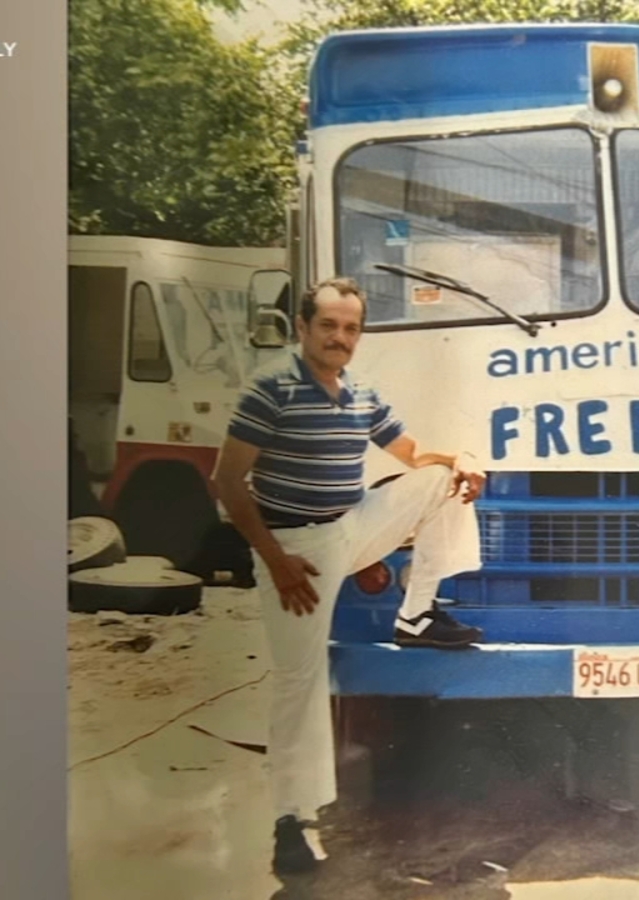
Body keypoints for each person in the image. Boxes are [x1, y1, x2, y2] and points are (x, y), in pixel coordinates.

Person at [210, 276, 487, 876]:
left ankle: (415, 615)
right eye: (329, 326)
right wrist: (276, 561)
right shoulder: (270, 389)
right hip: (293, 547)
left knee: (445, 483)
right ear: (304, 328)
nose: (340, 338)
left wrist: (459, 456)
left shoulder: (360, 392)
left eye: (351, 328)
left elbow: (411, 454)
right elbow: (226, 483)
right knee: (299, 680)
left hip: (350, 525)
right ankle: (294, 819)